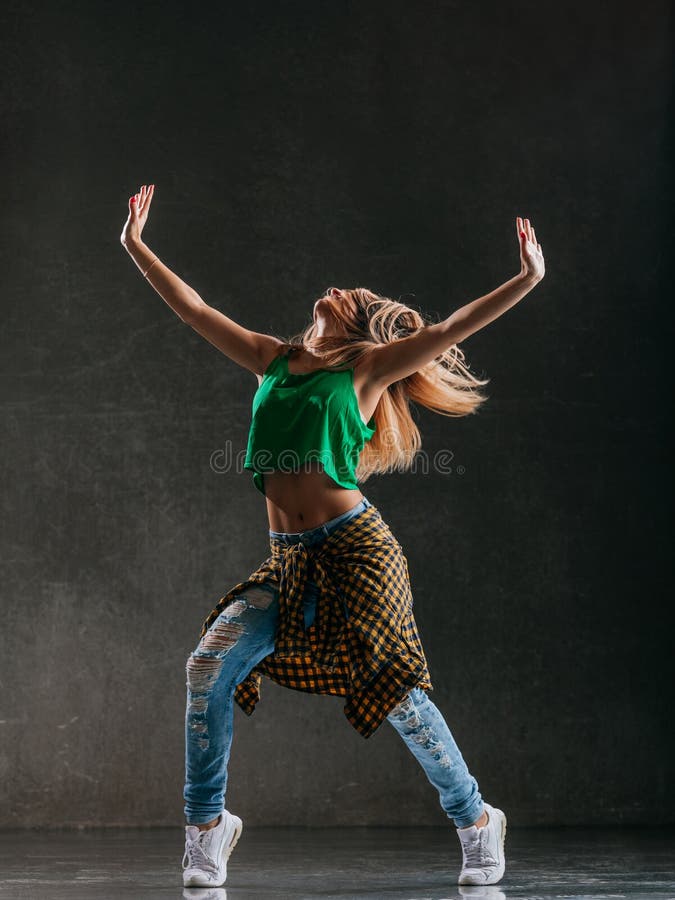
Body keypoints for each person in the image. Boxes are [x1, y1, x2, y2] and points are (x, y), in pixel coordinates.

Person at [120, 184, 545, 889]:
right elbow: (194, 309)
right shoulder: (273, 359)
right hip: (288, 561)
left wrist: (526, 278)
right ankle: (205, 829)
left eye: (350, 292)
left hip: (356, 550)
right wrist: (136, 245)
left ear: (358, 327)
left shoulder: (367, 369)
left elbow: (452, 329)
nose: (335, 287)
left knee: (394, 687)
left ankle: (475, 820)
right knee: (206, 666)